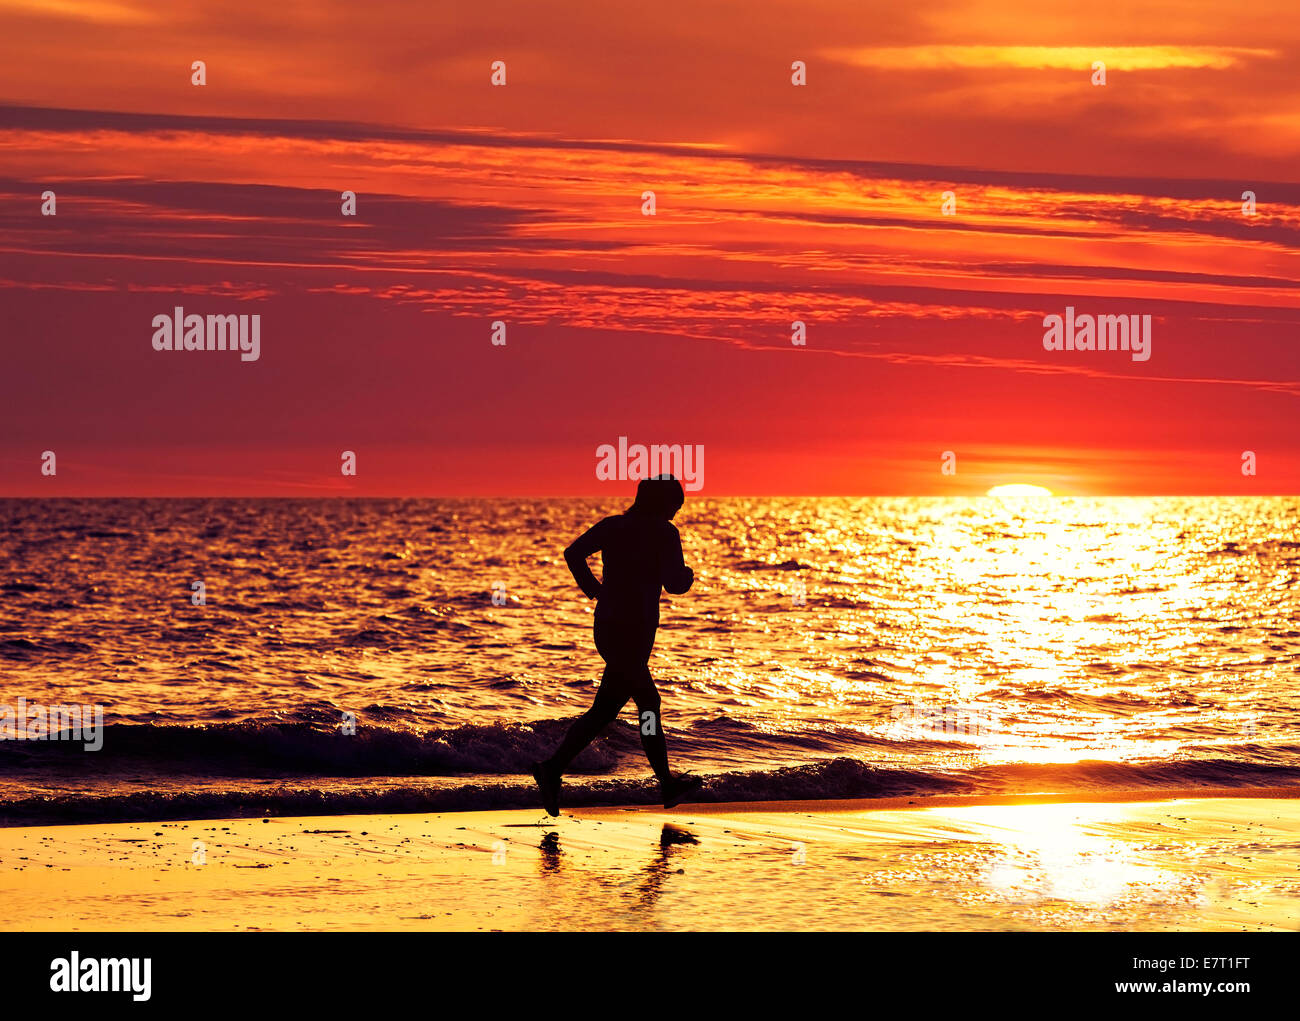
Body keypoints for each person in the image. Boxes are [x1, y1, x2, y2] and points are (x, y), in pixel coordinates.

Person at [532, 475, 703, 815]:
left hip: (610, 626)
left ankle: (552, 769)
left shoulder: (614, 526)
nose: (676, 511)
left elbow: (573, 553)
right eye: (674, 504)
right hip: (632, 631)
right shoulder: (664, 533)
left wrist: (595, 590)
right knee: (647, 704)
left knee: (608, 710)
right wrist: (687, 576)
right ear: (659, 502)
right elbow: (674, 584)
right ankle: (665, 783)